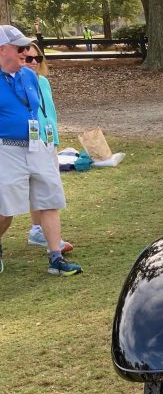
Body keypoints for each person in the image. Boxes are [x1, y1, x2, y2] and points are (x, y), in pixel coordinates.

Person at [0, 24, 82, 276]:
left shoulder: (30, 76)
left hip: (38, 147)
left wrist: (48, 141)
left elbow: (37, 111)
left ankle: (55, 257)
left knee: (48, 201)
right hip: (6, 150)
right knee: (5, 208)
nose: (26, 52)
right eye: (20, 48)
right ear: (3, 50)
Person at [22, 43, 73, 253]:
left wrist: (54, 137)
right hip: (29, 142)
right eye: (29, 59)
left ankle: (38, 231)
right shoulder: (16, 83)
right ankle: (41, 231)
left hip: (47, 139)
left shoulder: (43, 82)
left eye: (38, 58)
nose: (34, 62)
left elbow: (49, 112)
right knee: (43, 189)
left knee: (41, 188)